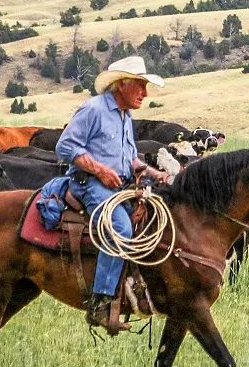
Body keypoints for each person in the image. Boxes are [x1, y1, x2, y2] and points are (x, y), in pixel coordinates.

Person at [56, 55, 170, 329]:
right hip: (88, 184)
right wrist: (99, 170)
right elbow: (65, 146)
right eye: (140, 86)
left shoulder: (125, 115)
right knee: (120, 227)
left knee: (151, 219)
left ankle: (136, 288)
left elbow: (130, 158)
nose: (145, 93)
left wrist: (157, 175)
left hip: (117, 186)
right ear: (122, 85)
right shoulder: (93, 109)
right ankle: (101, 303)